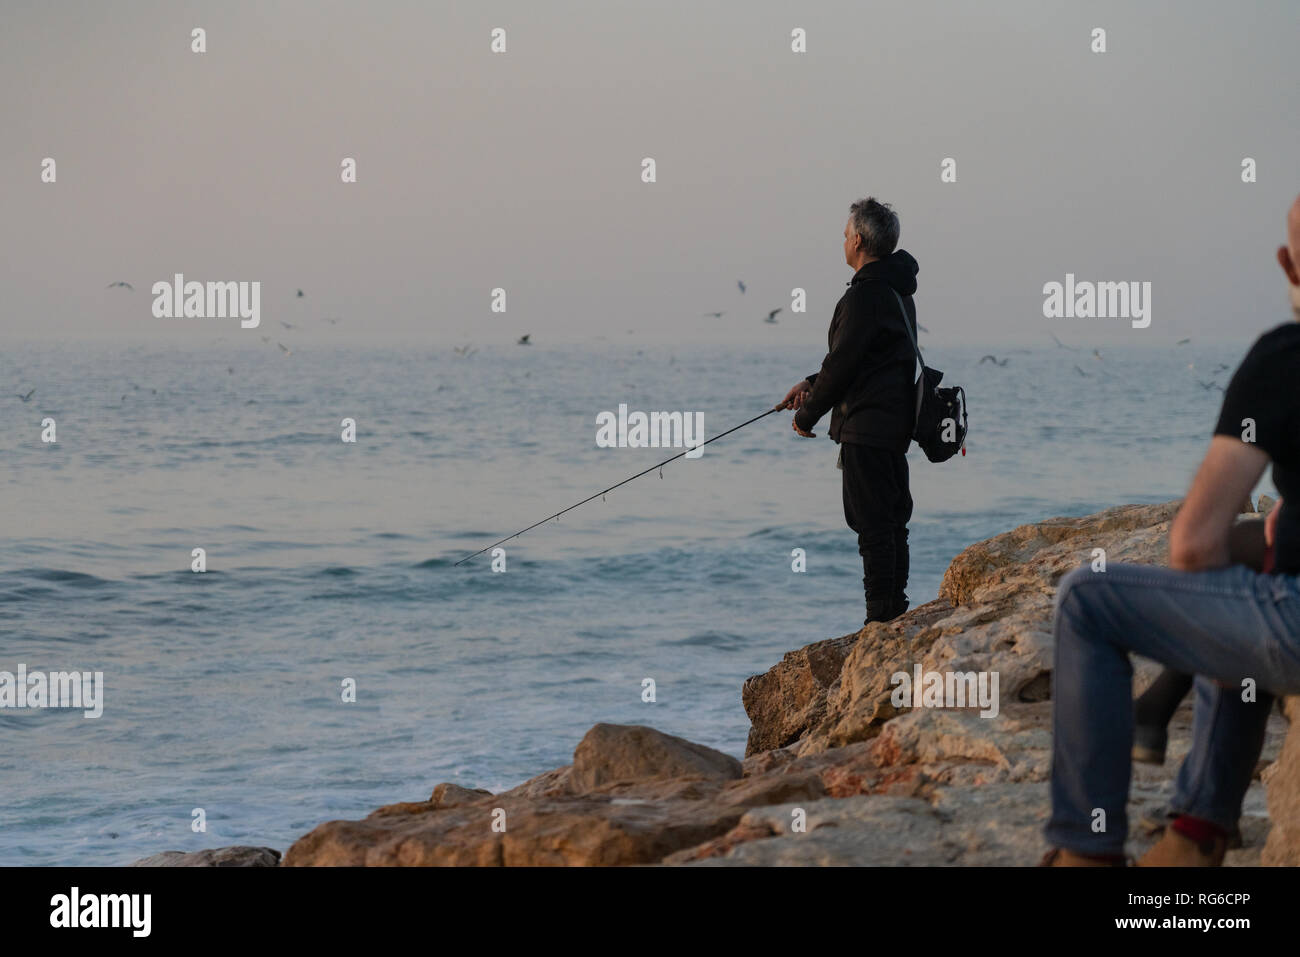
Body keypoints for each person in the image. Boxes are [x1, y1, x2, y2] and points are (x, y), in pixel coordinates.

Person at [1042, 193, 1300, 866]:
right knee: (1245, 561)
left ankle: (1087, 850)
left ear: (1288, 264)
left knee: (1083, 599)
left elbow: (1192, 542)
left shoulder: (1285, 356)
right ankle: (1194, 829)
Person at [779, 198, 920, 627]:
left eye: (845, 235)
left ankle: (880, 621)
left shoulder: (865, 295)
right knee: (892, 521)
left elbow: (843, 364)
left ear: (858, 240)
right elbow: (863, 357)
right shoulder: (895, 290)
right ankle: (894, 609)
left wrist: (808, 416)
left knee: (873, 526)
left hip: (867, 427)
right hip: (893, 426)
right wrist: (810, 382)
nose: (843, 241)